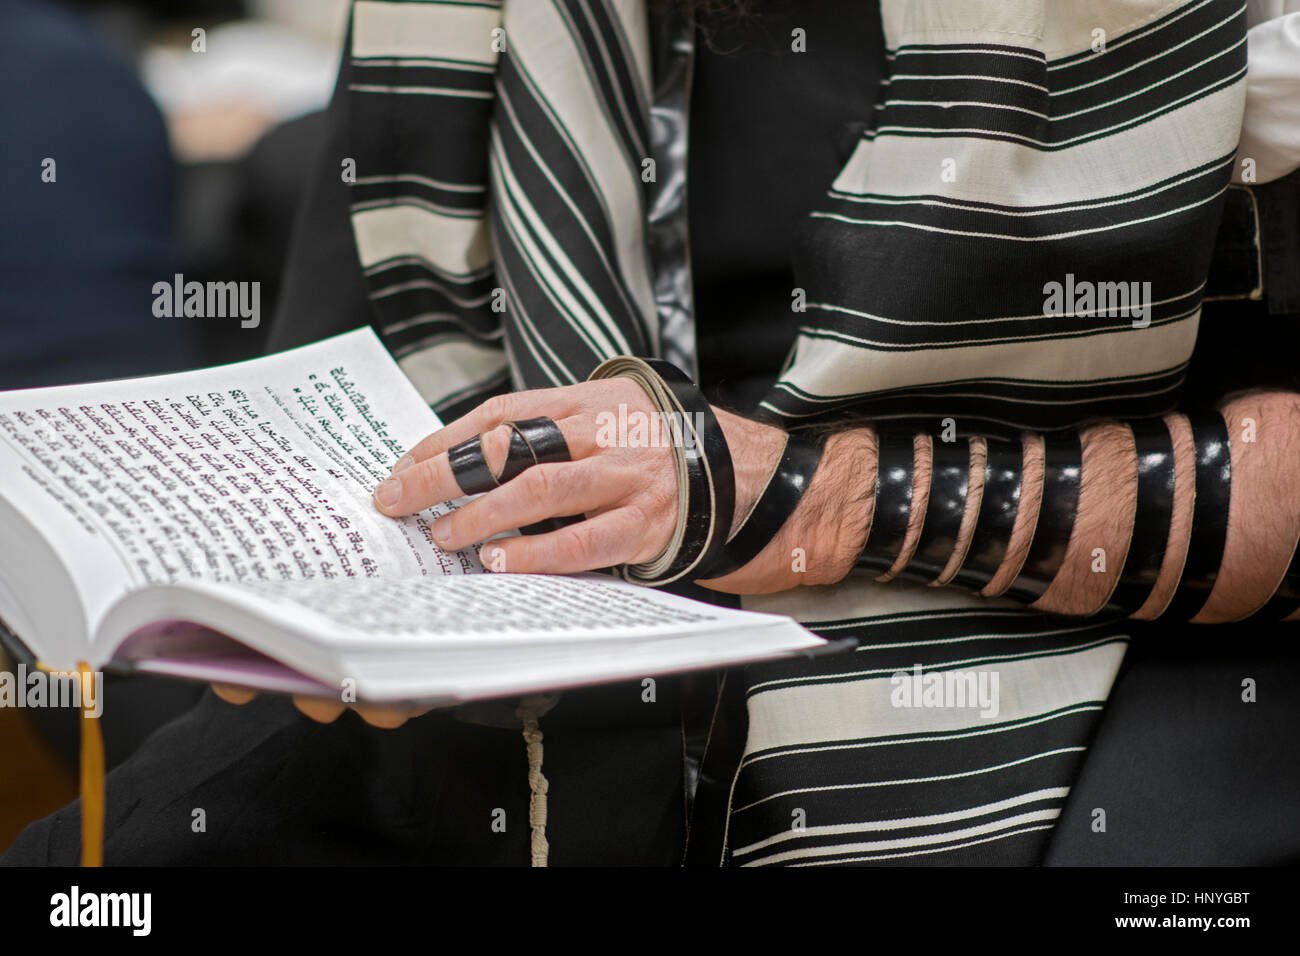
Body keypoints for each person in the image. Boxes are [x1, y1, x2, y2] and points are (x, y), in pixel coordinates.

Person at [6, 0, 1300, 867]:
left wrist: (801, 501)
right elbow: (353, 386)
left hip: (1059, 632)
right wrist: (309, 595)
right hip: (521, 659)